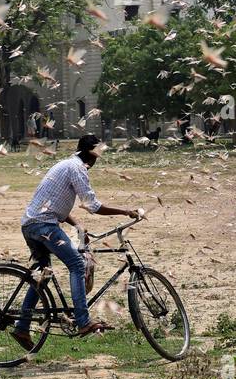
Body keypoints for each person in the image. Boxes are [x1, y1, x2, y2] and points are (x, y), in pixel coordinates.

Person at [13, 133, 141, 349]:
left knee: (43, 275)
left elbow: (54, 203)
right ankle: (83, 321)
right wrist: (126, 211)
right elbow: (93, 205)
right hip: (44, 225)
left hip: (30, 224)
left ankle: (22, 327)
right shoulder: (78, 169)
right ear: (92, 154)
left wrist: (77, 225)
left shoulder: (65, 164)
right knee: (77, 264)